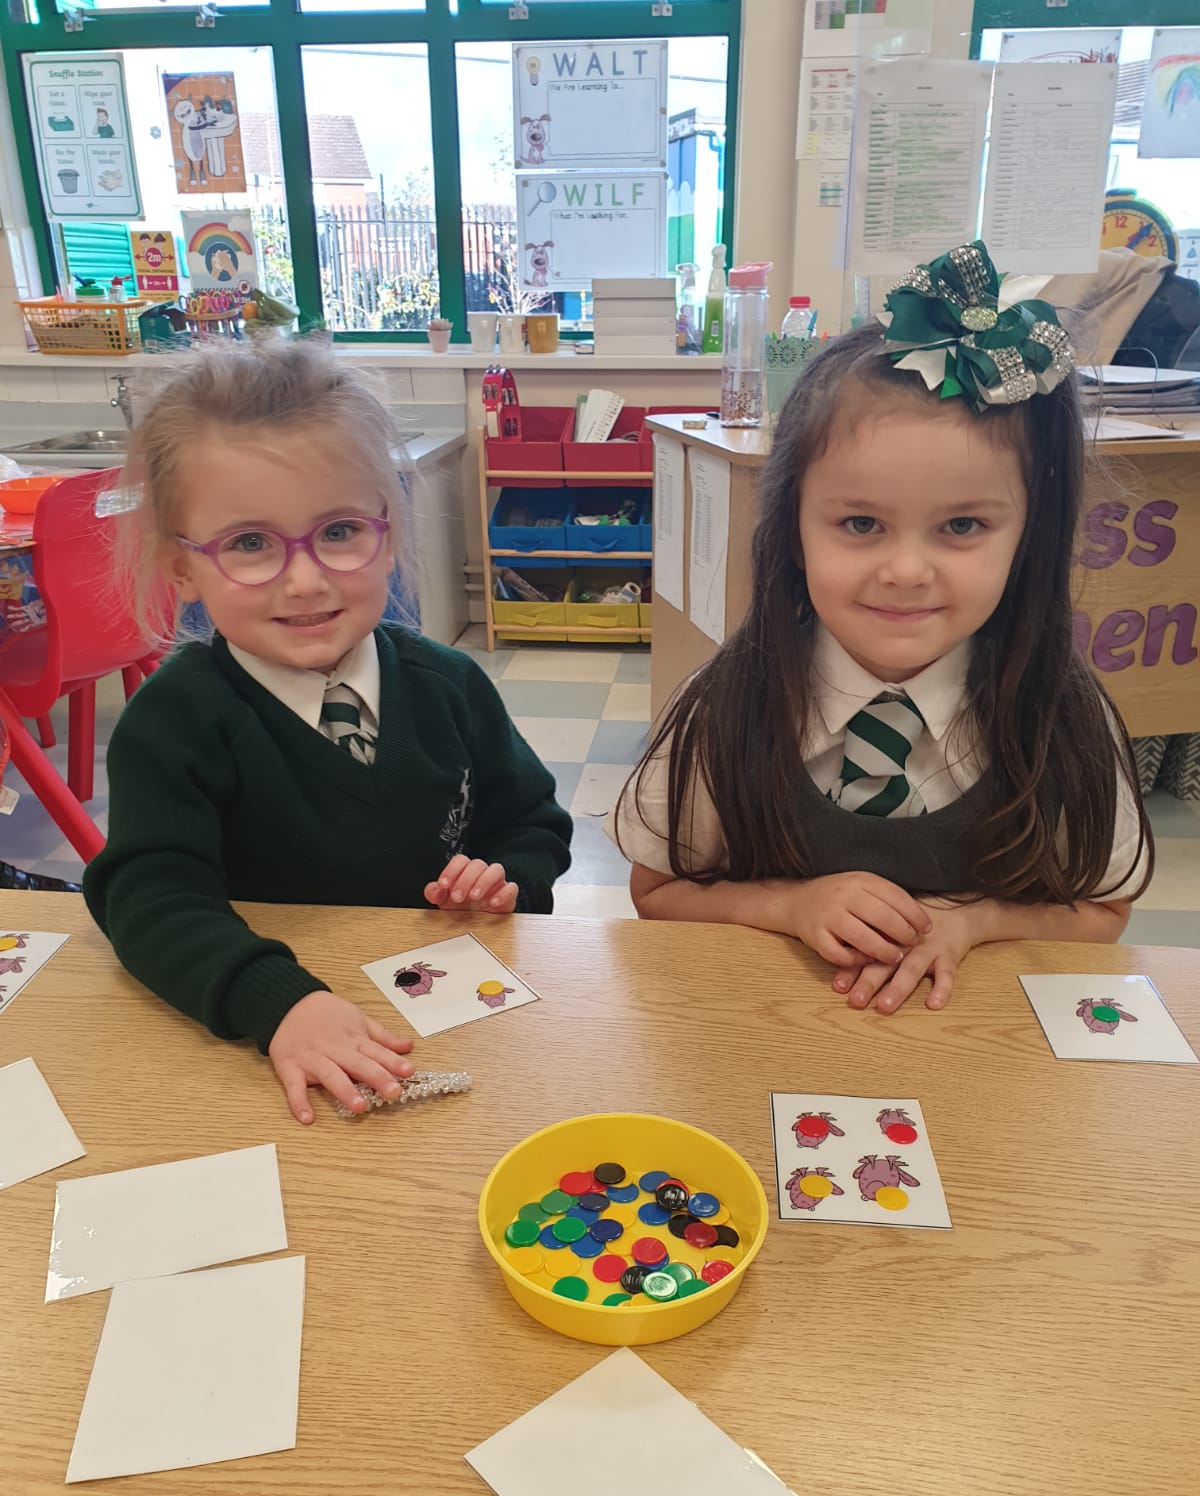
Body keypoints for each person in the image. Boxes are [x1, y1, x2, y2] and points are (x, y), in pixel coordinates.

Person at [611, 241, 1152, 1015]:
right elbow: (656, 891)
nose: (905, 570)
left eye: (962, 526)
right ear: (793, 529)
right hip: (765, 1038)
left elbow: (1104, 907)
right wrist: (788, 905)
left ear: (1029, 535)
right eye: (861, 523)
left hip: (978, 1050)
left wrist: (974, 923)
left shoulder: (1063, 715)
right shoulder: (725, 706)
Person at [84, 338, 571, 1121]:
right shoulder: (174, 722)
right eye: (249, 544)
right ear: (182, 568)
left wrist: (507, 878)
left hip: (457, 1015)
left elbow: (532, 822)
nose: (305, 579)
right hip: (271, 1047)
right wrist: (275, 1001)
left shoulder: (449, 684)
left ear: (388, 534)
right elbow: (148, 898)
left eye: (339, 532)